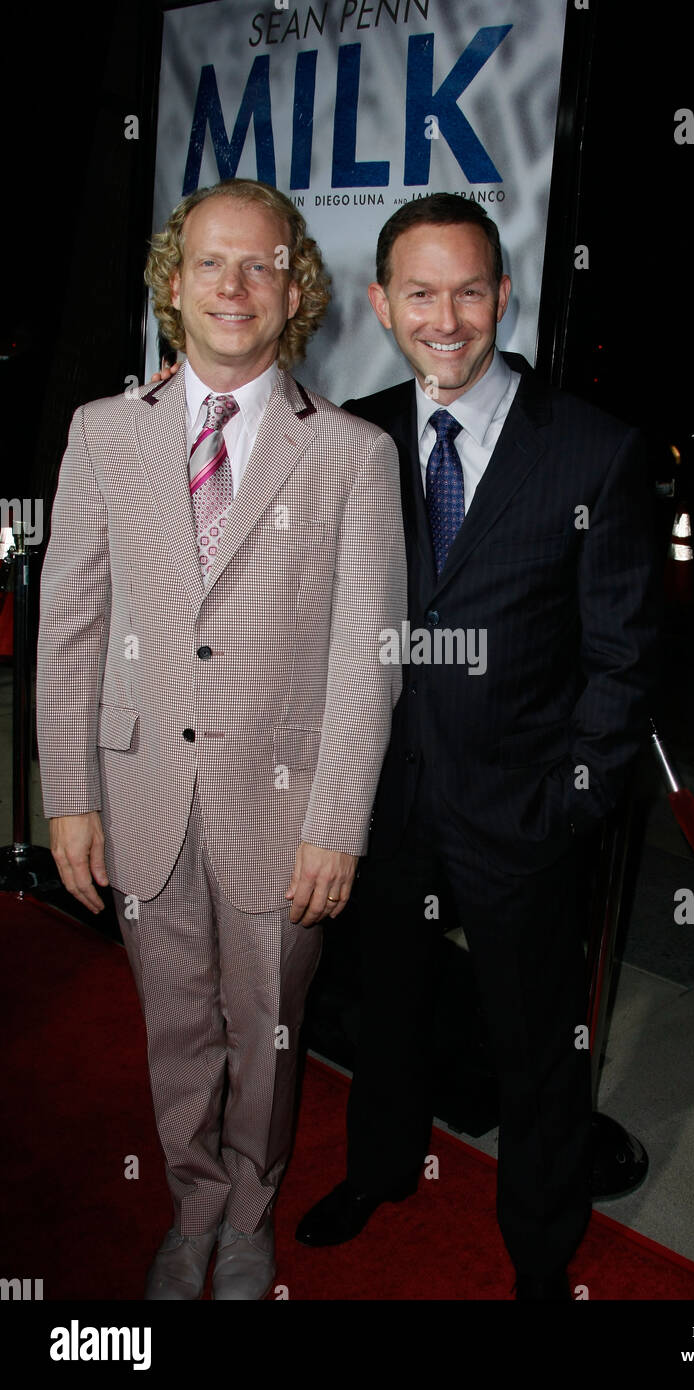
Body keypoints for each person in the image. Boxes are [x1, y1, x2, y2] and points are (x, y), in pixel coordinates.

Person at [36, 178, 406, 1300]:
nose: (234, 286)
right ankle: (192, 1201)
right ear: (173, 281)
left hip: (282, 809)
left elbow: (368, 650)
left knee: (270, 1030)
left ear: (293, 285)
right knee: (175, 1030)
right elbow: (70, 622)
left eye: (260, 264)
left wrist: (337, 821)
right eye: (210, 263)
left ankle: (250, 1209)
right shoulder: (103, 433)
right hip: (139, 794)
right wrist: (68, 796)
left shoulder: (350, 453)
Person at [294, 194, 659, 1300]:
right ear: (380, 303)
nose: (443, 317)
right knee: (385, 1009)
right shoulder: (352, 434)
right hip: (388, 803)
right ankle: (377, 1171)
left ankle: (539, 1248)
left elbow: (624, 655)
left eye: (467, 290)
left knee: (535, 1043)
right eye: (418, 291)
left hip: (523, 816)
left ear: (504, 295)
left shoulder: (594, 450)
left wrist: (569, 800)